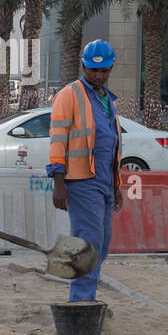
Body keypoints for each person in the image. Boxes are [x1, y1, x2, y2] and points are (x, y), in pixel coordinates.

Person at [48, 40, 123, 302]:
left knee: (101, 246)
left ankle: (85, 297)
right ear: (83, 66)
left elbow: (111, 146)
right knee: (87, 243)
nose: (98, 76)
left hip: (103, 183)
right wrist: (59, 184)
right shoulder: (69, 95)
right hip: (81, 182)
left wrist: (116, 186)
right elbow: (58, 140)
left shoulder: (108, 102)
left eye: (103, 71)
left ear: (111, 68)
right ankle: (81, 302)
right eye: (93, 71)